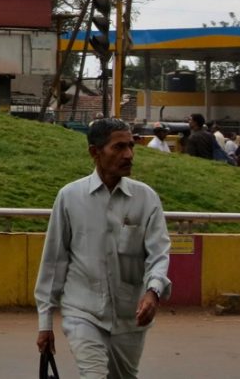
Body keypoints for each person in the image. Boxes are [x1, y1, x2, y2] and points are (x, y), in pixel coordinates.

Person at [35, 117, 171, 379]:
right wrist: (45, 323)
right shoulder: (70, 197)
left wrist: (153, 292)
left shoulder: (146, 198)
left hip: (130, 318)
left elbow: (159, 253)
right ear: (95, 152)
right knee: (93, 375)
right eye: (119, 147)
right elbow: (54, 261)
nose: (129, 154)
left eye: (131, 146)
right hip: (82, 312)